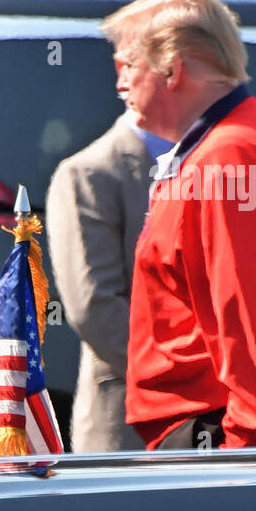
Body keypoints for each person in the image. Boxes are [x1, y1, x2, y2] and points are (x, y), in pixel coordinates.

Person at [100, 0, 256, 450]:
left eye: (127, 66)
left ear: (172, 68)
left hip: (233, 432)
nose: (119, 84)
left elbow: (251, 317)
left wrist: (244, 458)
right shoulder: (244, 142)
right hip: (250, 424)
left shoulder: (229, 157)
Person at [45, 110, 169, 452]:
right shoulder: (90, 172)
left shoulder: (217, 161)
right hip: (129, 433)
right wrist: (188, 380)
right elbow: (96, 309)